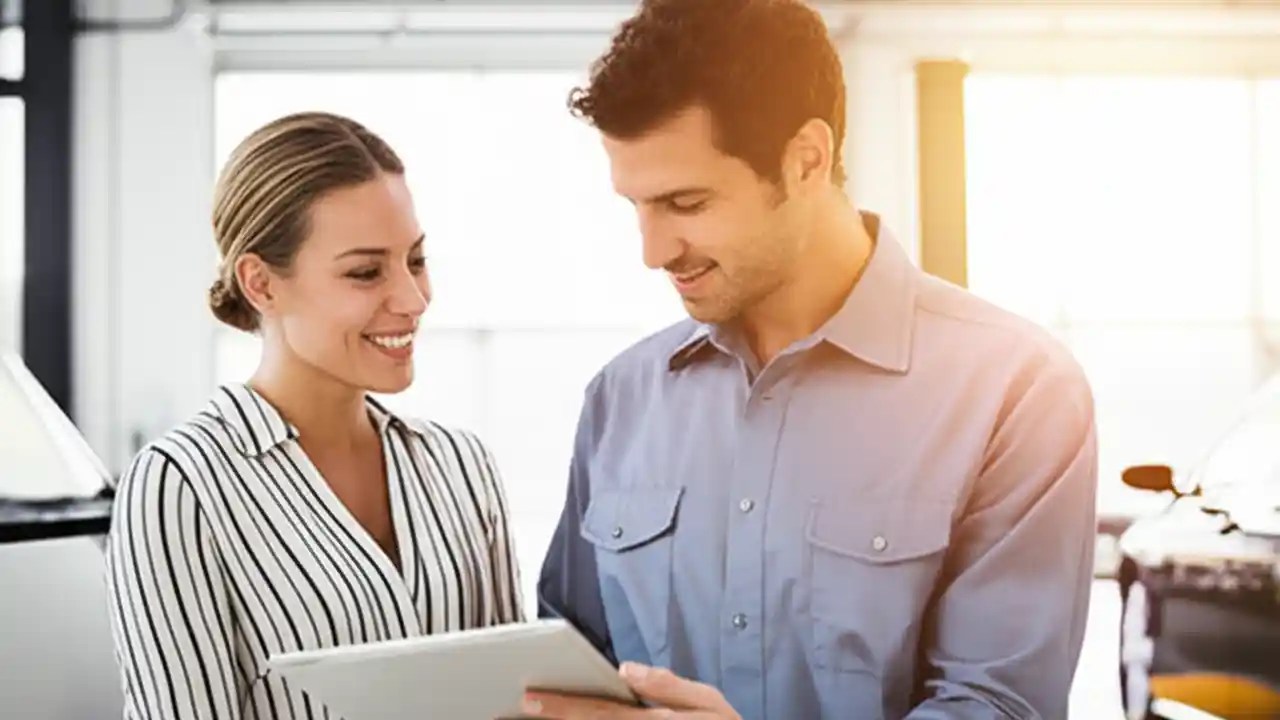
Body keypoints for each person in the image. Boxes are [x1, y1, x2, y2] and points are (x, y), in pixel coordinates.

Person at [529, 1, 1098, 719]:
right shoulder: (623, 398)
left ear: (805, 160)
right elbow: (571, 671)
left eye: (686, 201)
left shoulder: (1016, 391)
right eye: (637, 206)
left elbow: (1000, 706)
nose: (653, 251)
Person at [103, 112, 523, 719]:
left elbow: (520, 702)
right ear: (261, 284)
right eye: (364, 272)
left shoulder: (461, 465)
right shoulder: (180, 485)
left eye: (417, 260)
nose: (412, 299)